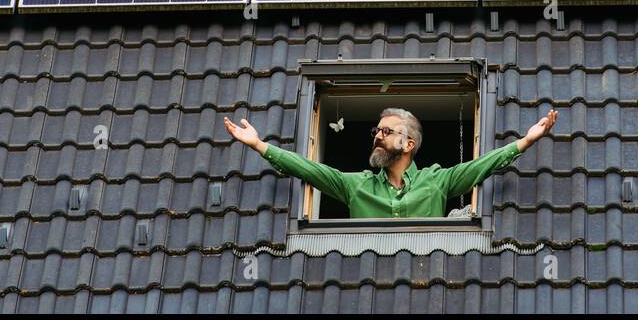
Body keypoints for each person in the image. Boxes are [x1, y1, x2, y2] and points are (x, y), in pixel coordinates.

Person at [223, 106, 558, 218]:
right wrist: (259, 145)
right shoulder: (356, 186)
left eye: (386, 130)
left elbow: (481, 166)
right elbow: (311, 169)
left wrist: (526, 141)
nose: (377, 136)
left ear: (408, 143)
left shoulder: (436, 181)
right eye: (376, 131)